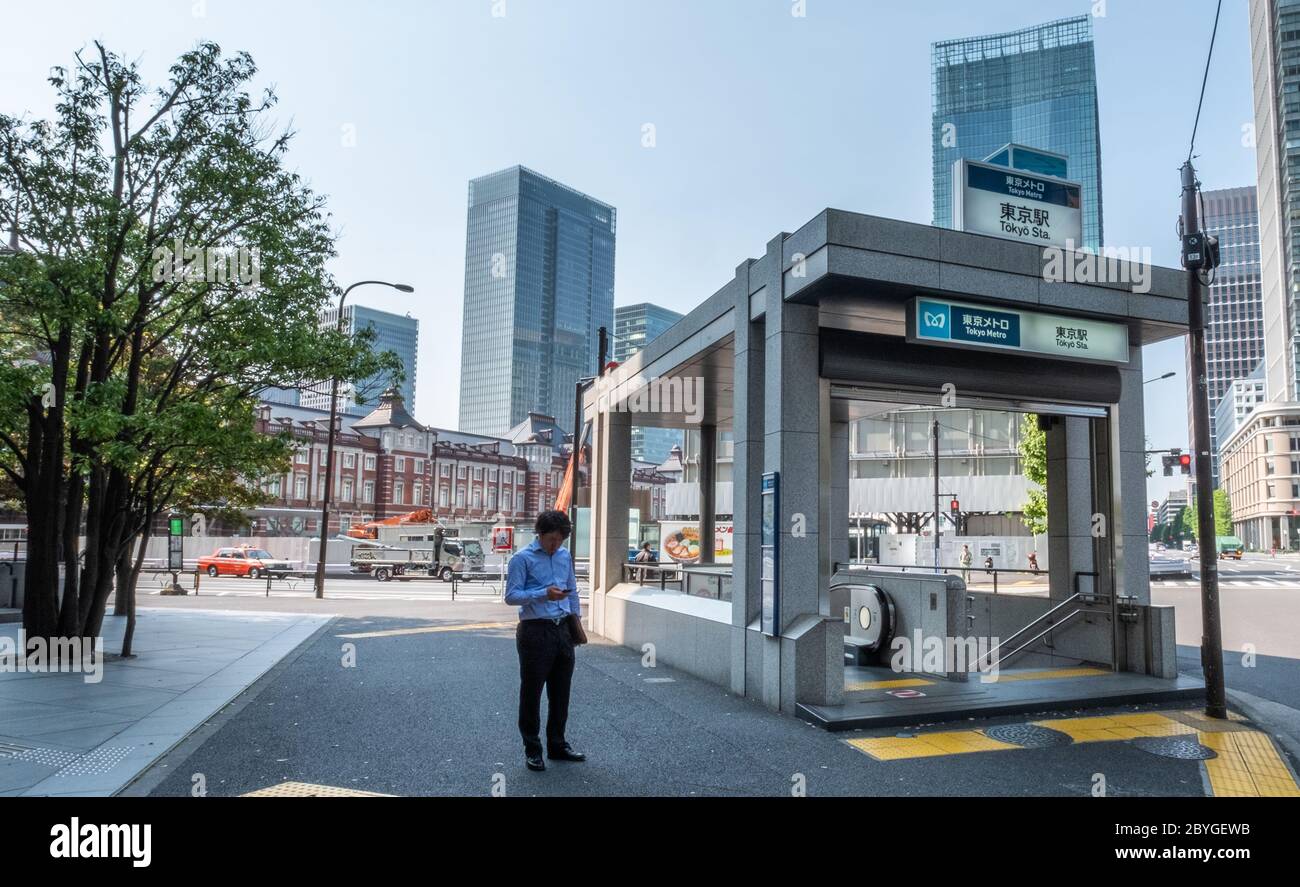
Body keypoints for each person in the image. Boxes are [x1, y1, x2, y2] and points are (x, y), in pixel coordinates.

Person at [504, 510, 586, 772]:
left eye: (560, 540)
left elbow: (572, 590)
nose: (556, 545)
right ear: (539, 534)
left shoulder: (564, 556)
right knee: (532, 692)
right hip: (534, 630)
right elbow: (512, 596)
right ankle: (532, 749)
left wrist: (576, 622)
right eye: (552, 539)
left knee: (561, 693)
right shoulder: (522, 559)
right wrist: (543, 594)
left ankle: (558, 744)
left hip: (562, 628)